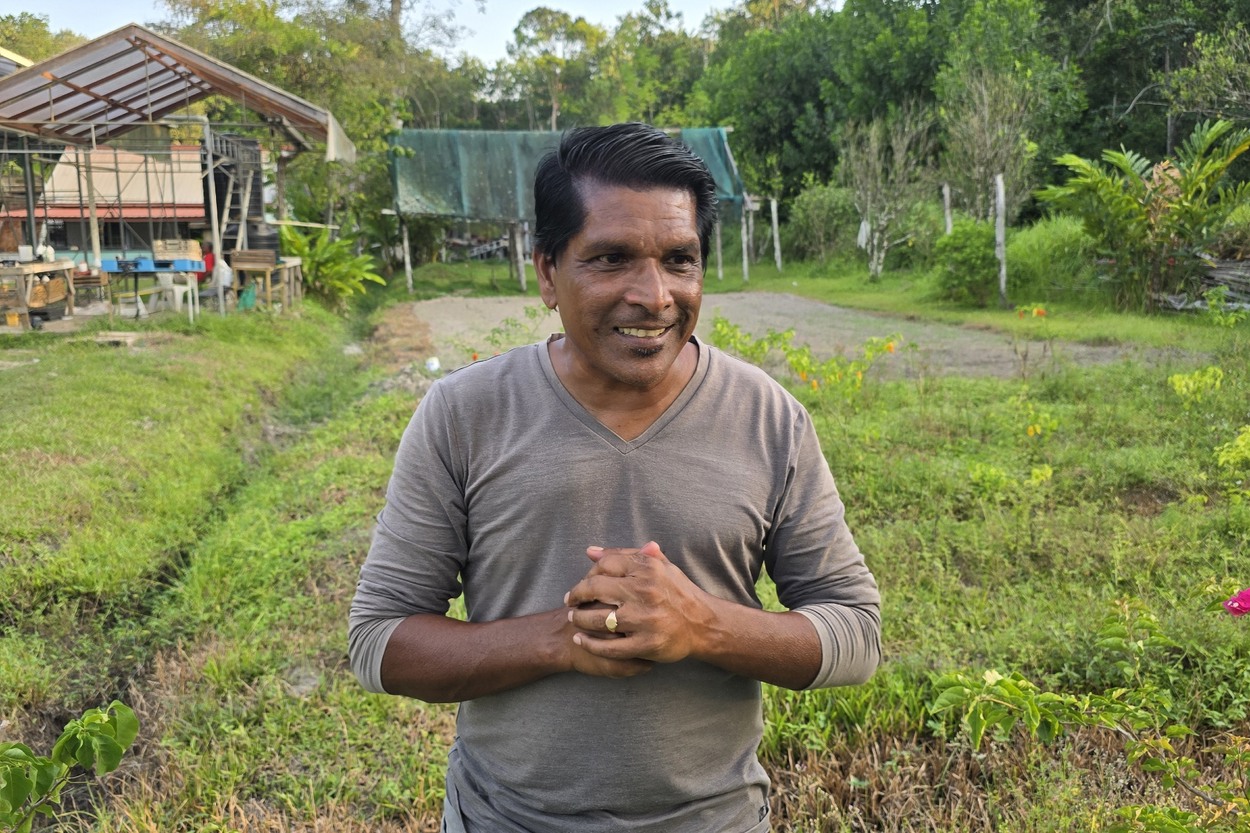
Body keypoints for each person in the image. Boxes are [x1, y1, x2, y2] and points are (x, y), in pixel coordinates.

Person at [348, 122, 881, 832]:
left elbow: (856, 633)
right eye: (611, 258)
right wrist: (561, 638)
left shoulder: (768, 419)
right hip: (506, 819)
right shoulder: (464, 414)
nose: (655, 296)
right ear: (545, 272)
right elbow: (380, 642)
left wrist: (703, 625)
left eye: (679, 260)